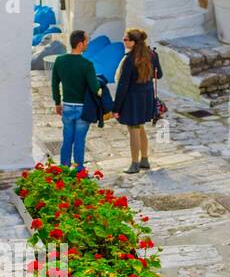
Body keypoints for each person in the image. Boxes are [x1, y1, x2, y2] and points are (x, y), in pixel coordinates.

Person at [112, 28, 162, 172]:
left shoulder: (129, 59)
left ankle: (134, 164)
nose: (123, 41)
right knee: (140, 128)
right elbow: (159, 75)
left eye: (125, 39)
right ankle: (144, 159)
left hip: (132, 99)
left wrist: (116, 107)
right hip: (146, 96)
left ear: (133, 42)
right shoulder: (152, 54)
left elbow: (123, 85)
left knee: (134, 129)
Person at [51, 30, 101, 172]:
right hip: (82, 108)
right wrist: (100, 87)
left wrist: (57, 102)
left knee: (67, 139)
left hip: (66, 106)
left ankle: (64, 169)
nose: (87, 43)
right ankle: (79, 171)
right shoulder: (87, 64)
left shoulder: (60, 61)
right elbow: (94, 87)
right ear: (80, 44)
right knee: (79, 141)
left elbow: (55, 83)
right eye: (86, 41)